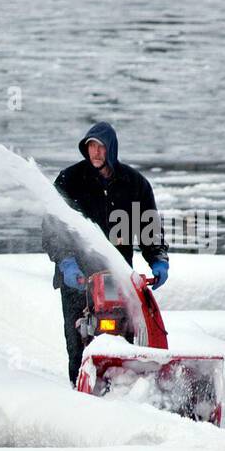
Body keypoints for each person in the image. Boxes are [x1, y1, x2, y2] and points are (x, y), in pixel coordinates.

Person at [42, 121, 168, 385]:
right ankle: (81, 389)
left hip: (116, 276)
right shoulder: (70, 180)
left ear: (111, 149)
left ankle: (125, 387)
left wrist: (158, 260)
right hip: (76, 278)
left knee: (122, 334)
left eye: (101, 147)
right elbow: (52, 227)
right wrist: (66, 262)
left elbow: (149, 228)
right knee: (79, 340)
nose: (96, 153)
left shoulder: (134, 184)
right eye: (91, 147)